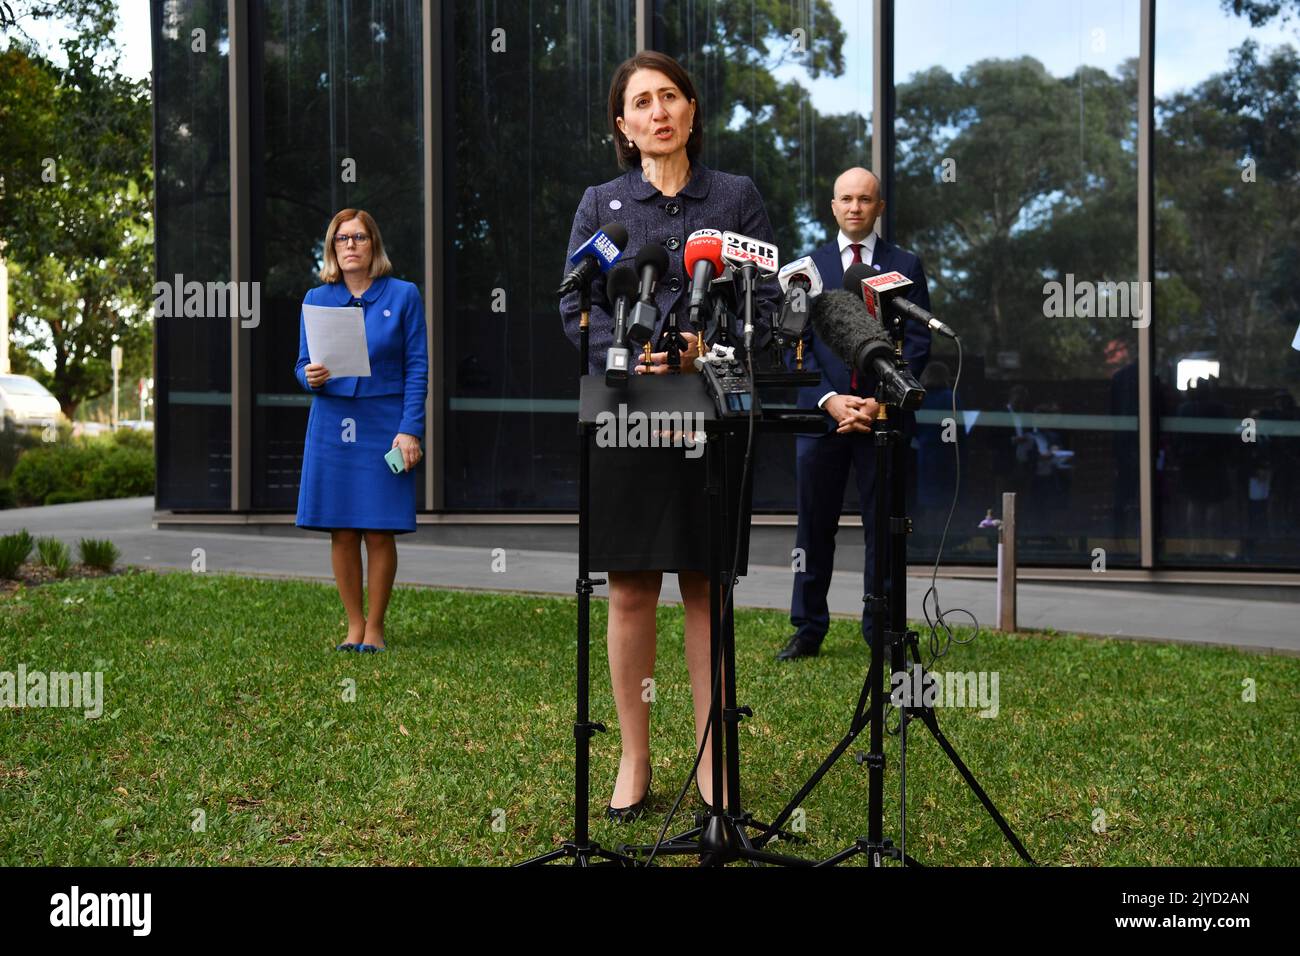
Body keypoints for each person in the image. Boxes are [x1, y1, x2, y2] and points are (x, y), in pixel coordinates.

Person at [559, 50, 779, 819]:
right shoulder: (601, 205)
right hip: (626, 410)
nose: (658, 111)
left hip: (712, 414)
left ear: (691, 111)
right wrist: (628, 359)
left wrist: (703, 351)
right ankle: (633, 757)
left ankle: (713, 762)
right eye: (641, 102)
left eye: (670, 97)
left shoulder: (738, 198)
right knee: (628, 590)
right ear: (623, 124)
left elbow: (766, 309)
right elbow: (574, 308)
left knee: (706, 590)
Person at [779, 167, 932, 661]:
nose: (855, 208)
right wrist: (830, 399)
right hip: (822, 416)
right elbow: (792, 345)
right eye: (845, 198)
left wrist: (878, 401)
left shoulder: (906, 265)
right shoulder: (807, 268)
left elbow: (919, 343)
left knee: (883, 529)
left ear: (879, 207)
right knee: (812, 528)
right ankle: (807, 629)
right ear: (832, 205)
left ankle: (882, 631)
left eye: (865, 200)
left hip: (882, 418)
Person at [294, 208, 429, 653]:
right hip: (332, 422)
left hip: (385, 423)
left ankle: (376, 626)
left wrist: (410, 429)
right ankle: (353, 625)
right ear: (333, 249)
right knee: (342, 529)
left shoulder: (404, 294)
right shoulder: (316, 298)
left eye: (359, 237)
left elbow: (417, 367)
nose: (350, 245)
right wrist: (307, 377)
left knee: (378, 528)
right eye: (341, 239)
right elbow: (301, 364)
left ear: (374, 245)